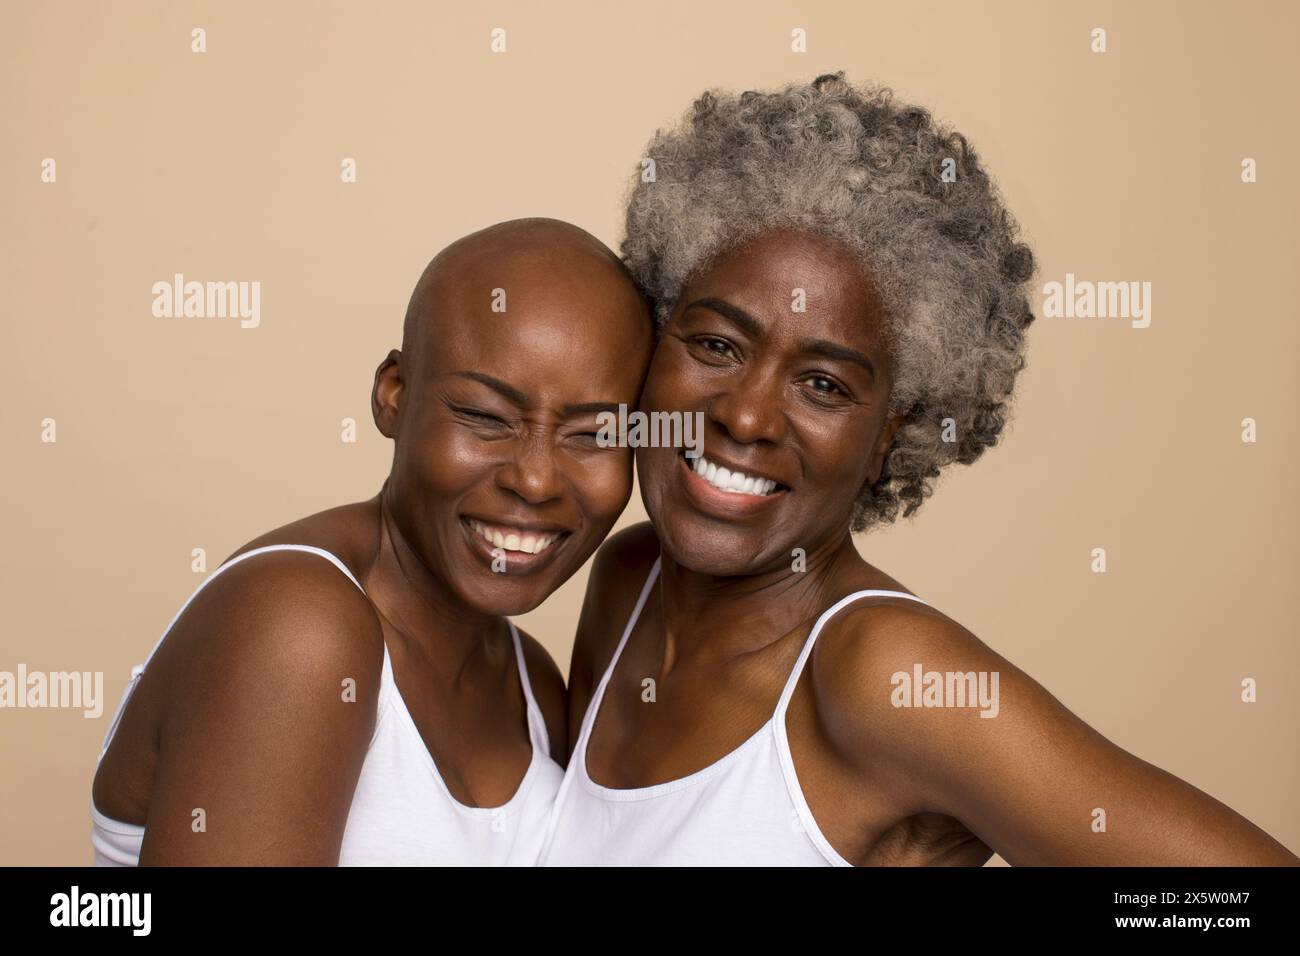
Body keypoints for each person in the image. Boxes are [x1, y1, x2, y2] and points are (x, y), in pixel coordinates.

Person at [539, 75, 1299, 866]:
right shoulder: (627, 583)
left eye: (824, 386)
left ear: (885, 439)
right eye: (716, 346)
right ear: (656, 340)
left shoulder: (882, 673)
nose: (748, 416)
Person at [91, 218, 654, 865]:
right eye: (484, 417)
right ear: (394, 393)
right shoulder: (298, 626)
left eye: (594, 435)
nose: (534, 479)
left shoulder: (531, 682)